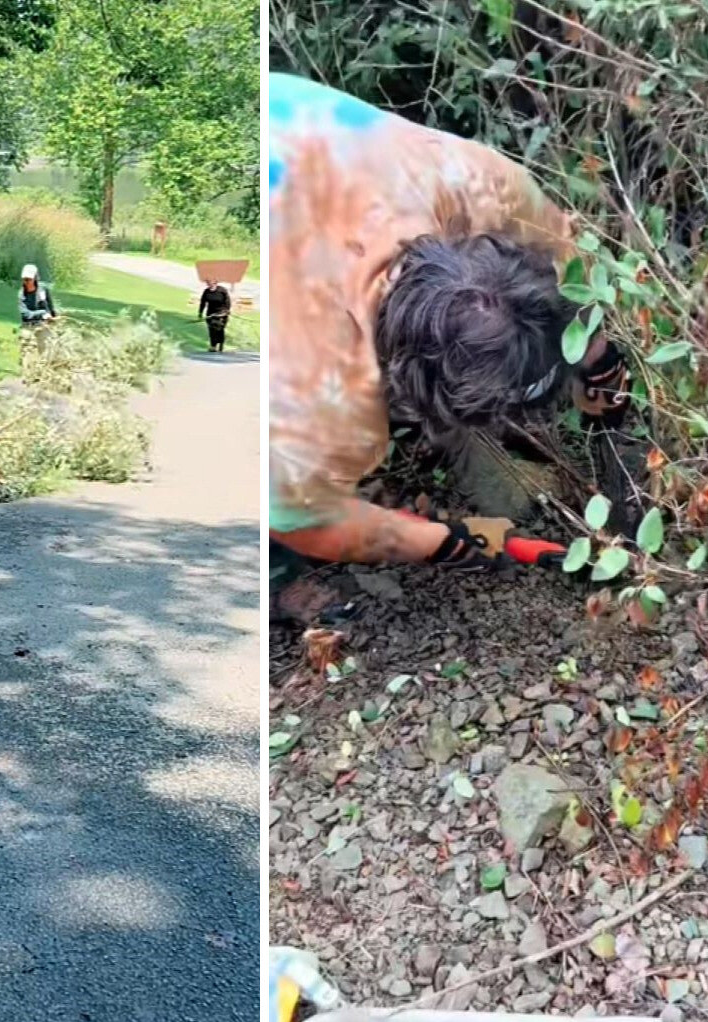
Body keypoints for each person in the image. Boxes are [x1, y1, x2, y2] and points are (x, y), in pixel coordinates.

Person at [265, 72, 629, 623]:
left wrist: (597, 357)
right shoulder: (315, 392)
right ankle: (271, 584)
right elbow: (303, 518)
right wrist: (447, 542)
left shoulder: (473, 180)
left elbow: (567, 254)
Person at [19, 263, 56, 364]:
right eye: (24, 279)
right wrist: (42, 313)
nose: (26, 282)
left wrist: (53, 316)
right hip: (29, 325)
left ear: (35, 278)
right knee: (26, 344)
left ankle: (44, 367)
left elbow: (50, 306)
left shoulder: (43, 289)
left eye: (29, 279)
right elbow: (25, 314)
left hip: (44, 325)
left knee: (45, 347)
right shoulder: (22, 295)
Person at [198, 280, 232, 353]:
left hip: (222, 313)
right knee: (212, 330)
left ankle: (221, 344)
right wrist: (200, 313)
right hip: (210, 313)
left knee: (220, 329)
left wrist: (226, 311)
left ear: (215, 283)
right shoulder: (206, 292)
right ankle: (213, 346)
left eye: (210, 282)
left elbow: (228, 301)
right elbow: (203, 303)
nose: (208, 284)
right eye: (207, 283)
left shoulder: (222, 290)